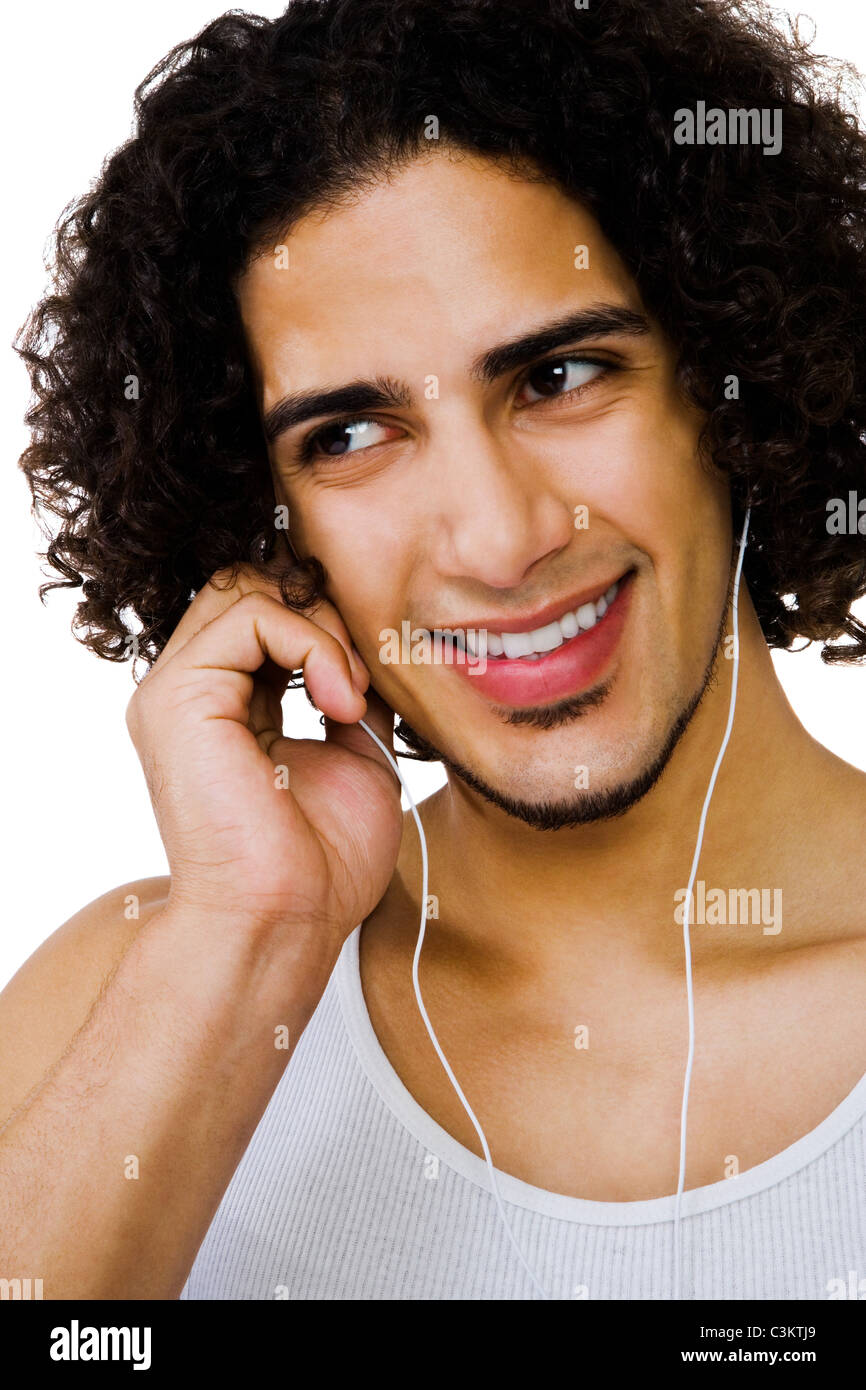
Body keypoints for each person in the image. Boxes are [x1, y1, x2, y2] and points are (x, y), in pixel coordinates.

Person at [3, 0, 866, 1301]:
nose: (498, 538)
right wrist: (244, 938)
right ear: (270, 532)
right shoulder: (135, 994)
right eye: (348, 435)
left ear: (736, 376)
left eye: (561, 374)